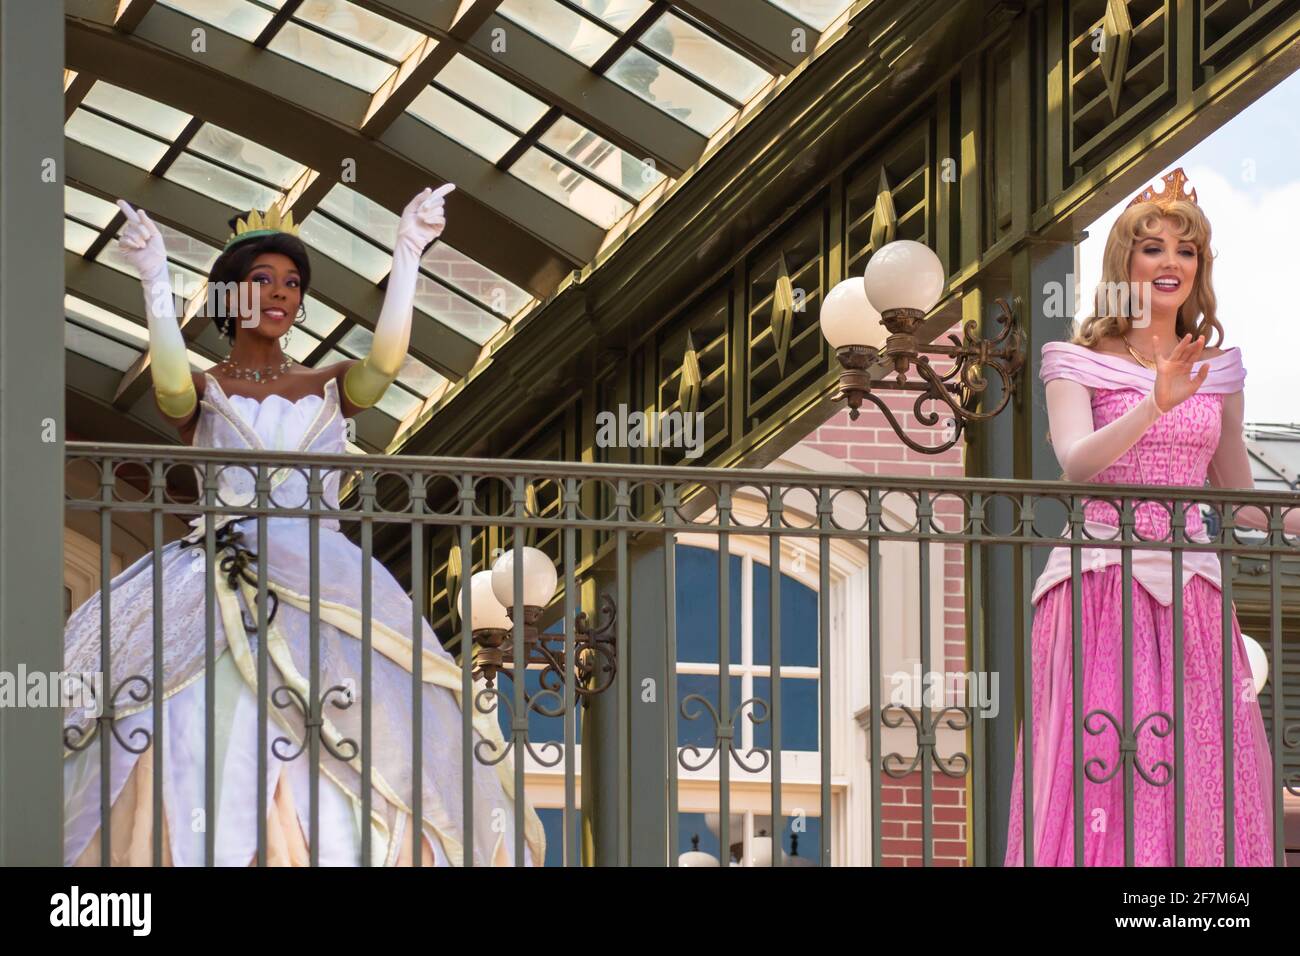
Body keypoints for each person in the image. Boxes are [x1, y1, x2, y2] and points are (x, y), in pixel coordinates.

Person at [62, 186, 545, 866]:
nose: (280, 293)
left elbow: (385, 365)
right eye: (261, 280)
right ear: (231, 298)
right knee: (183, 714)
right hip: (213, 578)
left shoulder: (330, 385)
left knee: (376, 723)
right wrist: (153, 278)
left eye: (292, 283)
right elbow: (169, 382)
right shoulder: (204, 391)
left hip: (328, 577)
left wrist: (409, 252)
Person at [1003, 168, 1297, 866]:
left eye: (1187, 250)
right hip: (1099, 583)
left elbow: (1239, 493)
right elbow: (1077, 465)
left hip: (1193, 592)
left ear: (1201, 268)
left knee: (1199, 763)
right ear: (1123, 263)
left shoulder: (1218, 370)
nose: (1171, 263)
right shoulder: (1071, 360)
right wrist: (1156, 402)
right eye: (1154, 247)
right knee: (1103, 754)